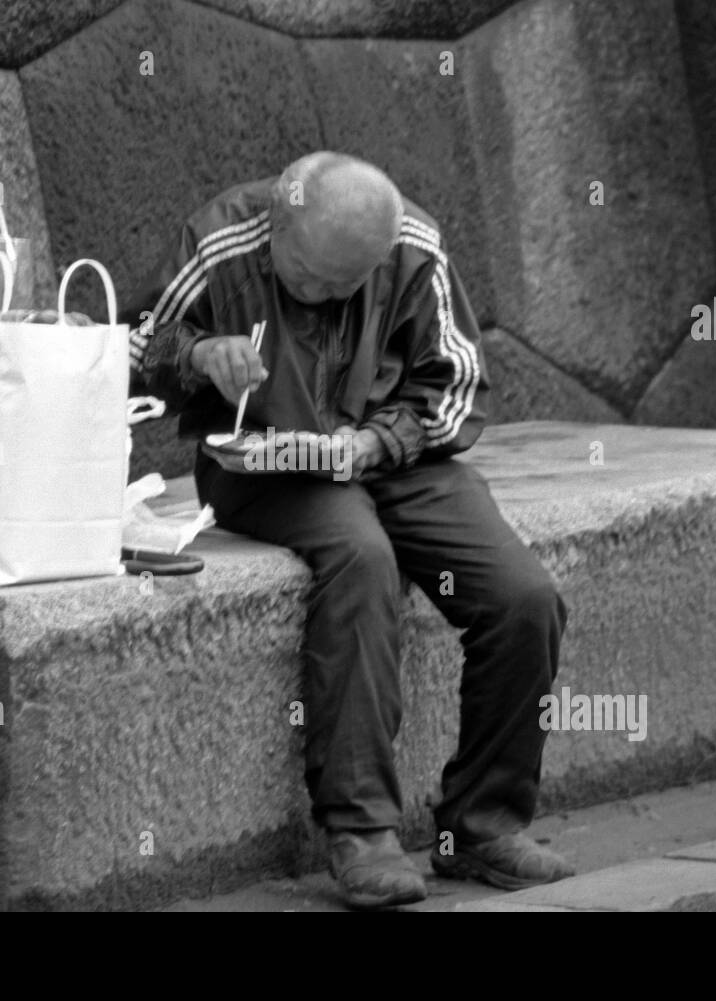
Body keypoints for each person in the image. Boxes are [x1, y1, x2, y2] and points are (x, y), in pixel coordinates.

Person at [122, 151, 573, 909]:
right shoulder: (220, 240)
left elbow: (456, 391)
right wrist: (201, 354)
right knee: (363, 561)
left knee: (524, 596)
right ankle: (362, 831)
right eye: (309, 278)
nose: (325, 295)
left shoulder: (413, 246)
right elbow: (131, 348)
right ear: (277, 228)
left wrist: (375, 443)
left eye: (346, 284)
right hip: (265, 462)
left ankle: (483, 824)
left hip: (398, 457)